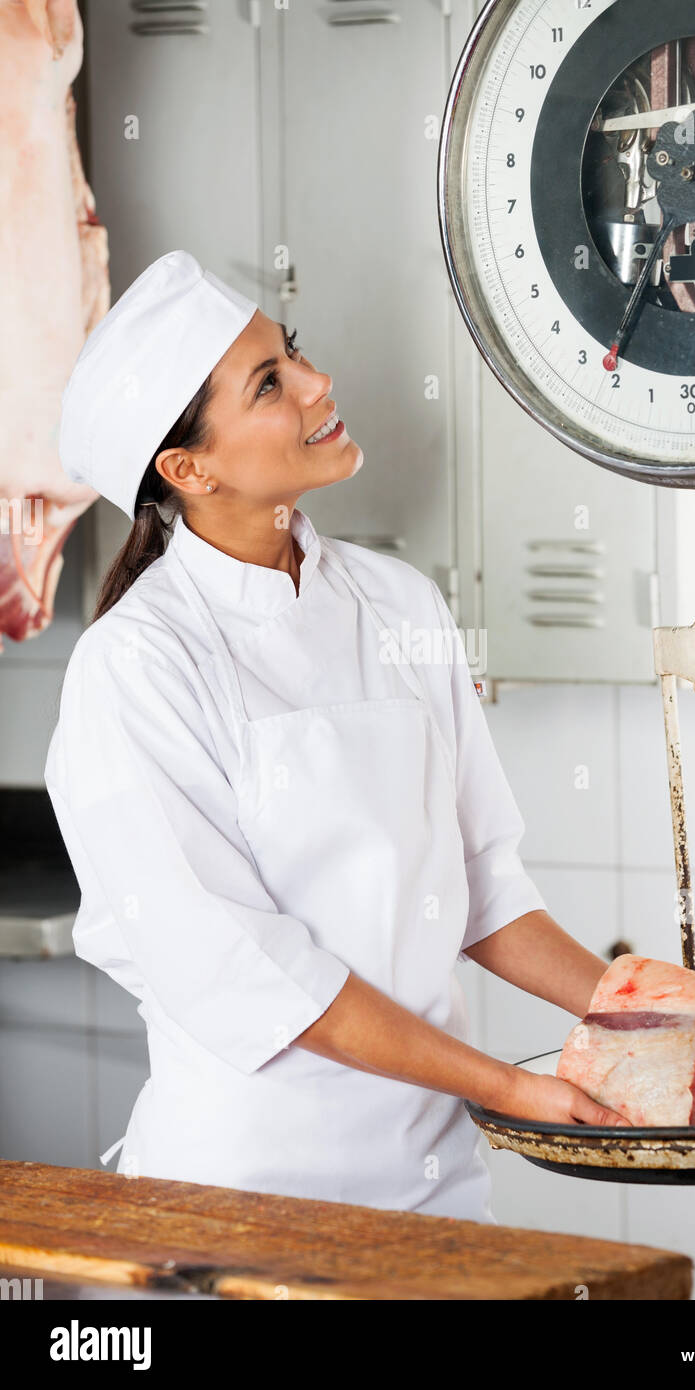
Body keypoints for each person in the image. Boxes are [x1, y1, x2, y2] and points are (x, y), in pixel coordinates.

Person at [44, 250, 629, 1225]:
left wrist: (646, 1010)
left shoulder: (397, 602)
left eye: (294, 353)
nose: (319, 384)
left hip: (432, 1193)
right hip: (245, 1209)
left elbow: (480, 885)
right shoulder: (135, 669)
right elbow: (258, 980)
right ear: (189, 469)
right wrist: (506, 1085)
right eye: (270, 384)